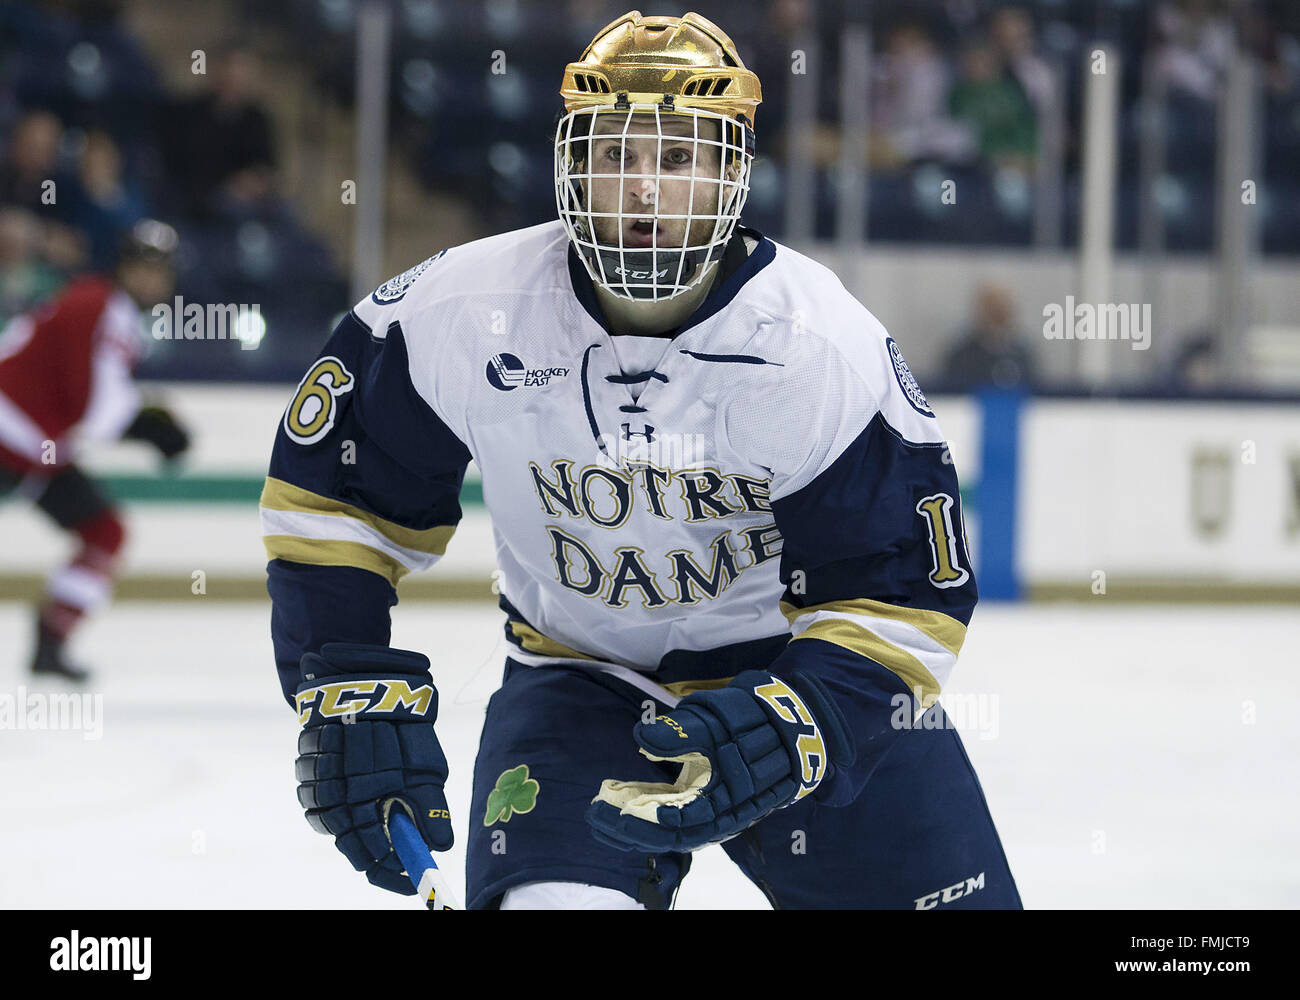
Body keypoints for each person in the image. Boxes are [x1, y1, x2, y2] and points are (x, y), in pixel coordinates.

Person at [265, 10, 1021, 910]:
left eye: (678, 158)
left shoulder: (818, 347)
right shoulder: (460, 312)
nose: (645, 191)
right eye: (617, 154)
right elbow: (333, 497)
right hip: (578, 687)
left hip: (795, 679)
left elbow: (901, 592)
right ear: (571, 163)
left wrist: (799, 721)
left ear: (731, 173)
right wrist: (342, 674)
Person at [0, 219, 190, 680]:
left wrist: (147, 422)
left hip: (29, 445)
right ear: (123, 267)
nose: (150, 278)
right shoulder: (101, 307)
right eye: (141, 266)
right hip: (12, 435)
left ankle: (51, 642)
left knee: (104, 531)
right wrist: (152, 427)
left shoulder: (98, 303)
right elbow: (98, 408)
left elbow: (91, 396)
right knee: (104, 531)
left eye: (159, 270)